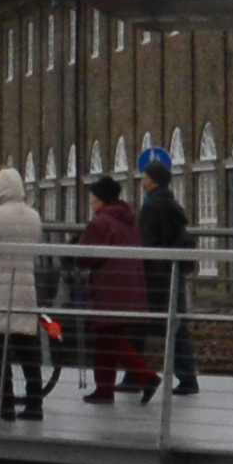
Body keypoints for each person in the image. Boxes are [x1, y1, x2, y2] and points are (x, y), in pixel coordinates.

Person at [0, 163, 52, 418]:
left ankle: (4, 404)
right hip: (25, 289)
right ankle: (35, 403)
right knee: (28, 346)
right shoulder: (33, 216)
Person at [73, 172, 153, 403]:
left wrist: (74, 255)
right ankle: (104, 390)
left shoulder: (101, 222)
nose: (91, 202)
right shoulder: (129, 219)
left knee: (111, 338)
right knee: (106, 337)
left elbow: (88, 255)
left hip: (108, 288)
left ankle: (146, 377)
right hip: (130, 286)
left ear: (102, 198)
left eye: (94, 197)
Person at [130, 141, 199, 394]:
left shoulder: (151, 207)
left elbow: (146, 242)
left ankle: (136, 375)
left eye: (145, 177)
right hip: (173, 271)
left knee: (139, 323)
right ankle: (186, 376)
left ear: (155, 180)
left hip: (156, 275)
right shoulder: (172, 205)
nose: (142, 181)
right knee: (175, 325)